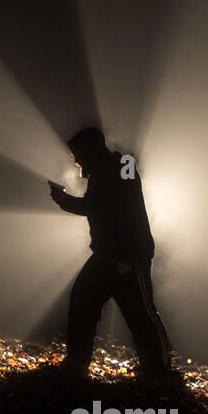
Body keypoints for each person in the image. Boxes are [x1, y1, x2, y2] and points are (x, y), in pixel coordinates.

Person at [50, 127, 177, 385]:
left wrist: (63, 200)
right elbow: (97, 207)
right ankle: (77, 363)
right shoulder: (107, 171)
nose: (76, 161)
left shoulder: (115, 172)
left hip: (129, 257)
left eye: (78, 154)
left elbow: (100, 208)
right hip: (109, 255)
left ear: (91, 150)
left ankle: (159, 371)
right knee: (85, 300)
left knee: (141, 313)